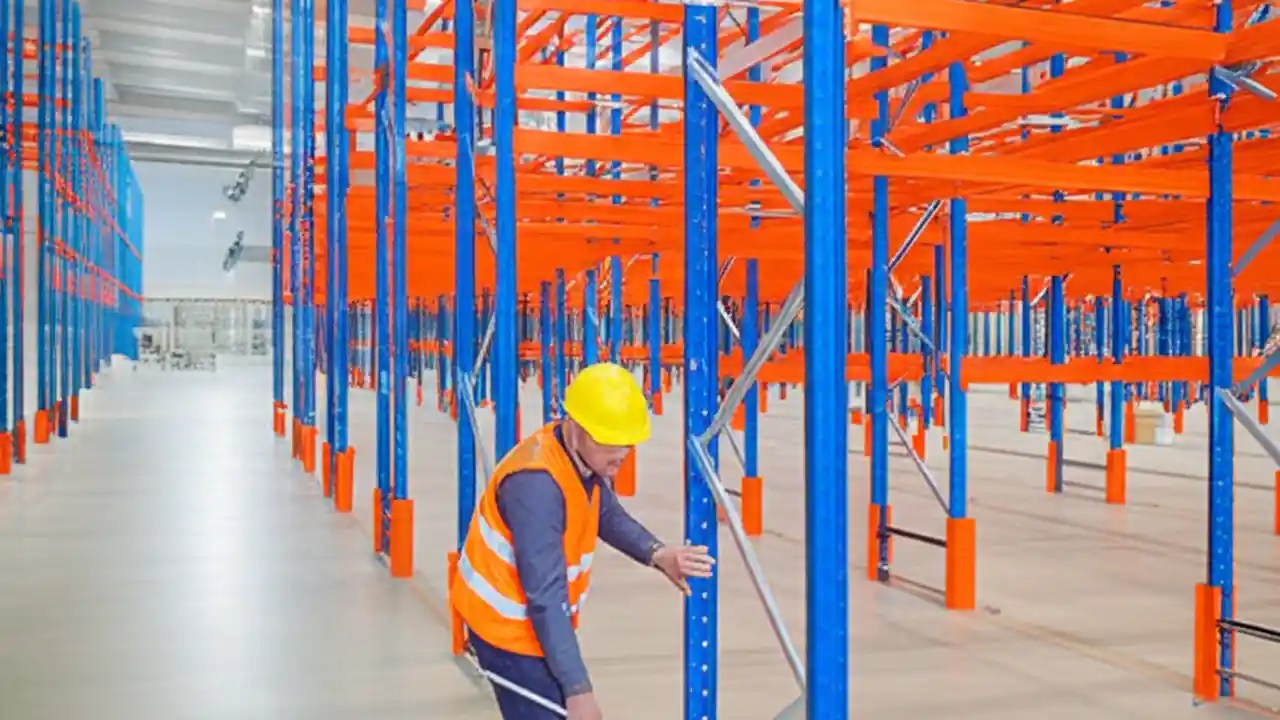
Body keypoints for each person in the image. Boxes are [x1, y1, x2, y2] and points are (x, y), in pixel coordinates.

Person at [450, 362, 716, 720]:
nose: (621, 453)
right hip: (507, 633)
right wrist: (578, 690)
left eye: (627, 442)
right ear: (574, 426)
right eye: (608, 441)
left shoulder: (578, 459)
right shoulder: (536, 486)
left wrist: (657, 554)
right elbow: (546, 596)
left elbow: (606, 513)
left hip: (533, 628)